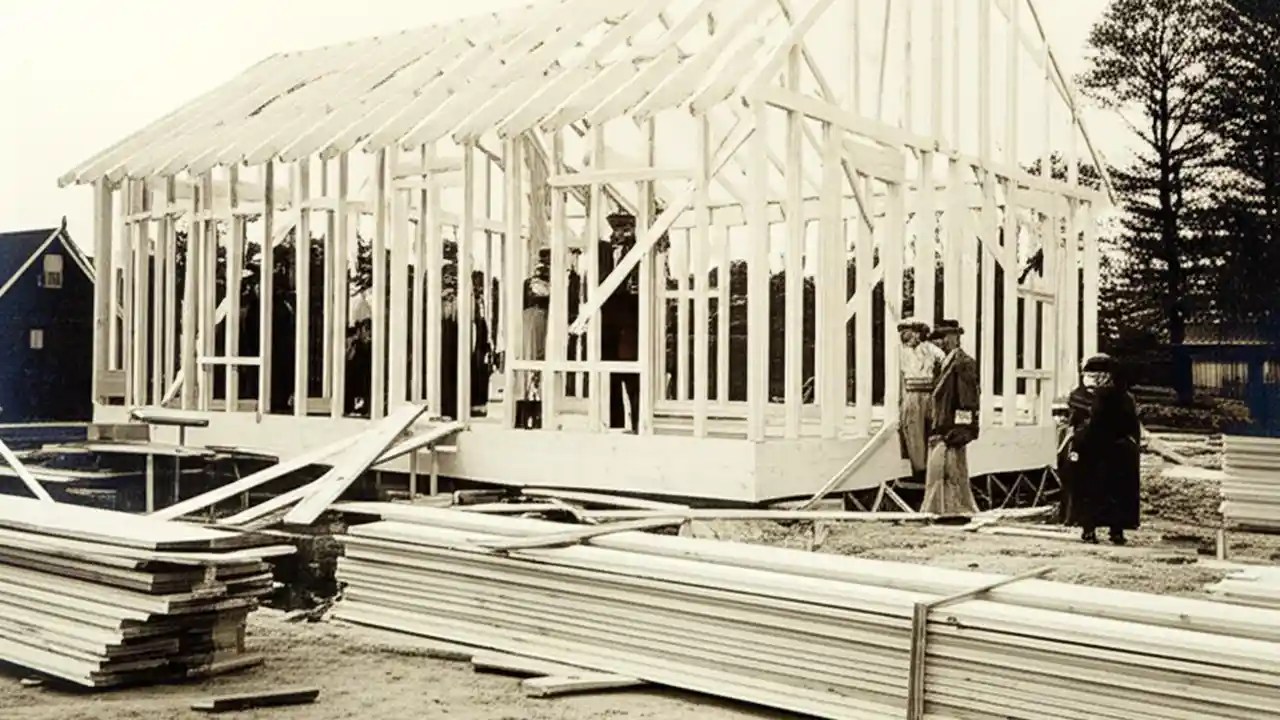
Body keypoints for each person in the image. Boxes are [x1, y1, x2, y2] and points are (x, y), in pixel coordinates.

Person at [1069, 353, 1141, 544]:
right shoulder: (1081, 397)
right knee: (1094, 490)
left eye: (1101, 374)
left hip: (1113, 451)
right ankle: (1090, 529)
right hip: (1094, 451)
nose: (1096, 379)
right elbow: (1075, 423)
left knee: (1114, 492)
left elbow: (1131, 424)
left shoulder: (1122, 398)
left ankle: (1114, 530)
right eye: (1093, 374)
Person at [921, 319, 981, 519]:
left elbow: (967, 400)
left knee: (951, 471)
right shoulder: (943, 364)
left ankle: (953, 510)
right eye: (937, 339)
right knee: (941, 472)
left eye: (943, 338)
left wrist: (961, 430)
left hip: (952, 429)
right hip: (942, 427)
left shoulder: (964, 364)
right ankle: (943, 510)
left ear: (954, 338)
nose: (939, 343)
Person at [897, 318, 945, 481]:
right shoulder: (902, 351)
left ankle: (930, 467)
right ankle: (919, 469)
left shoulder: (932, 350)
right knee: (913, 431)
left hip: (927, 392)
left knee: (930, 429)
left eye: (909, 333)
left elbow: (943, 365)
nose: (905, 336)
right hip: (911, 392)